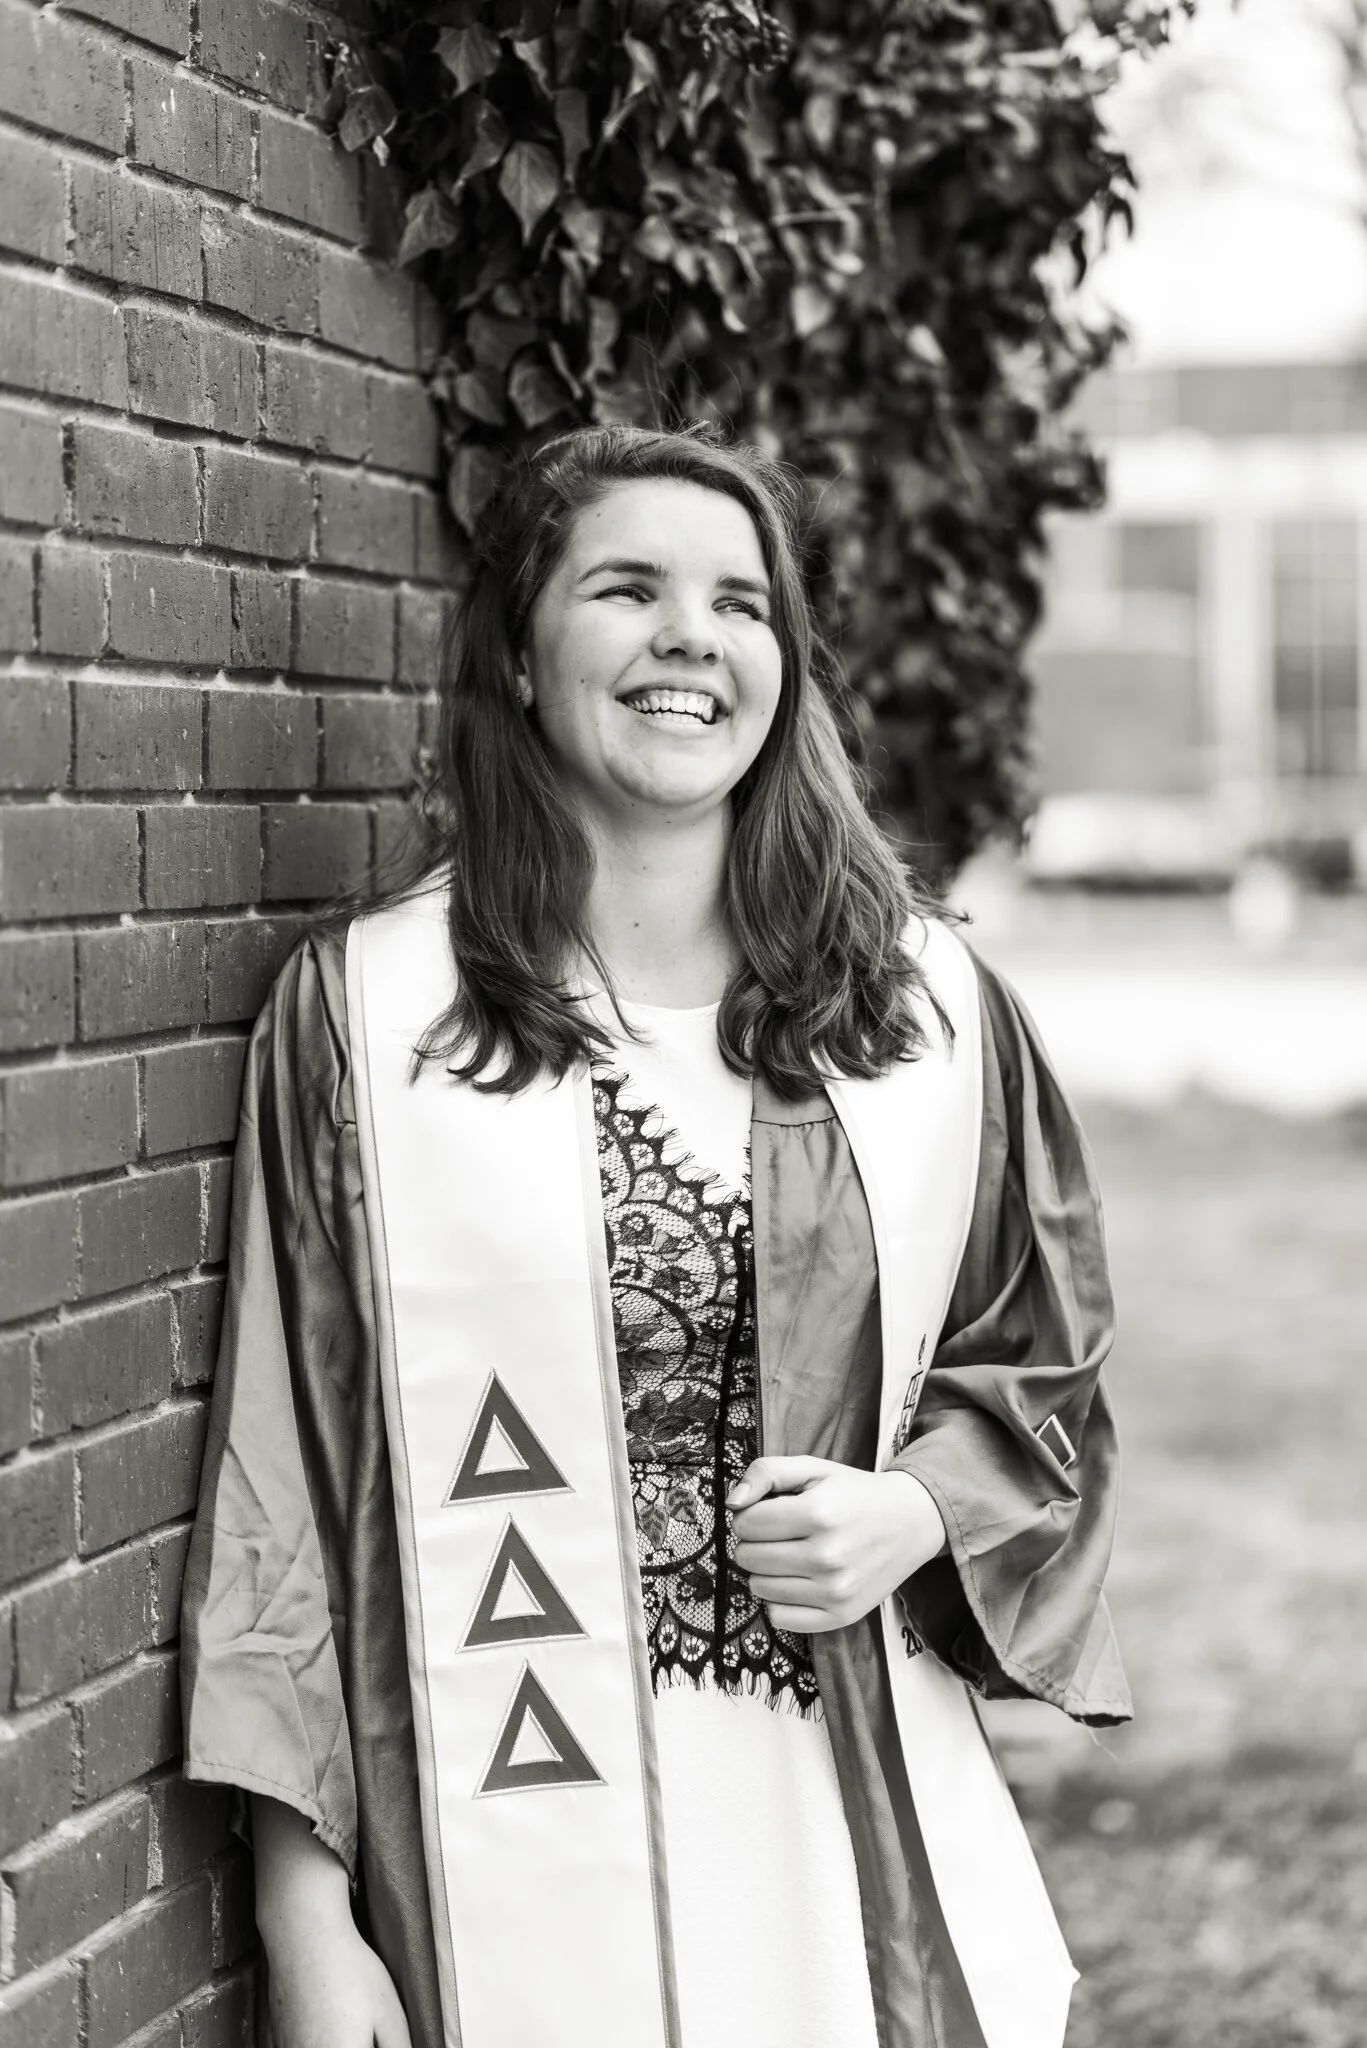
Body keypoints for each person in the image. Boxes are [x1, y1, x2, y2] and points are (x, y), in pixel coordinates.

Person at [180, 422, 1130, 2048]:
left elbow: (1043, 1381)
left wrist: (915, 1510)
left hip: (858, 1861)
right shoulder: (367, 1023)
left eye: (740, 602)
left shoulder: (927, 1017)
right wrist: (303, 1913)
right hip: (506, 1856)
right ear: (521, 661)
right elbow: (289, 1484)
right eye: (627, 588)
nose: (694, 635)